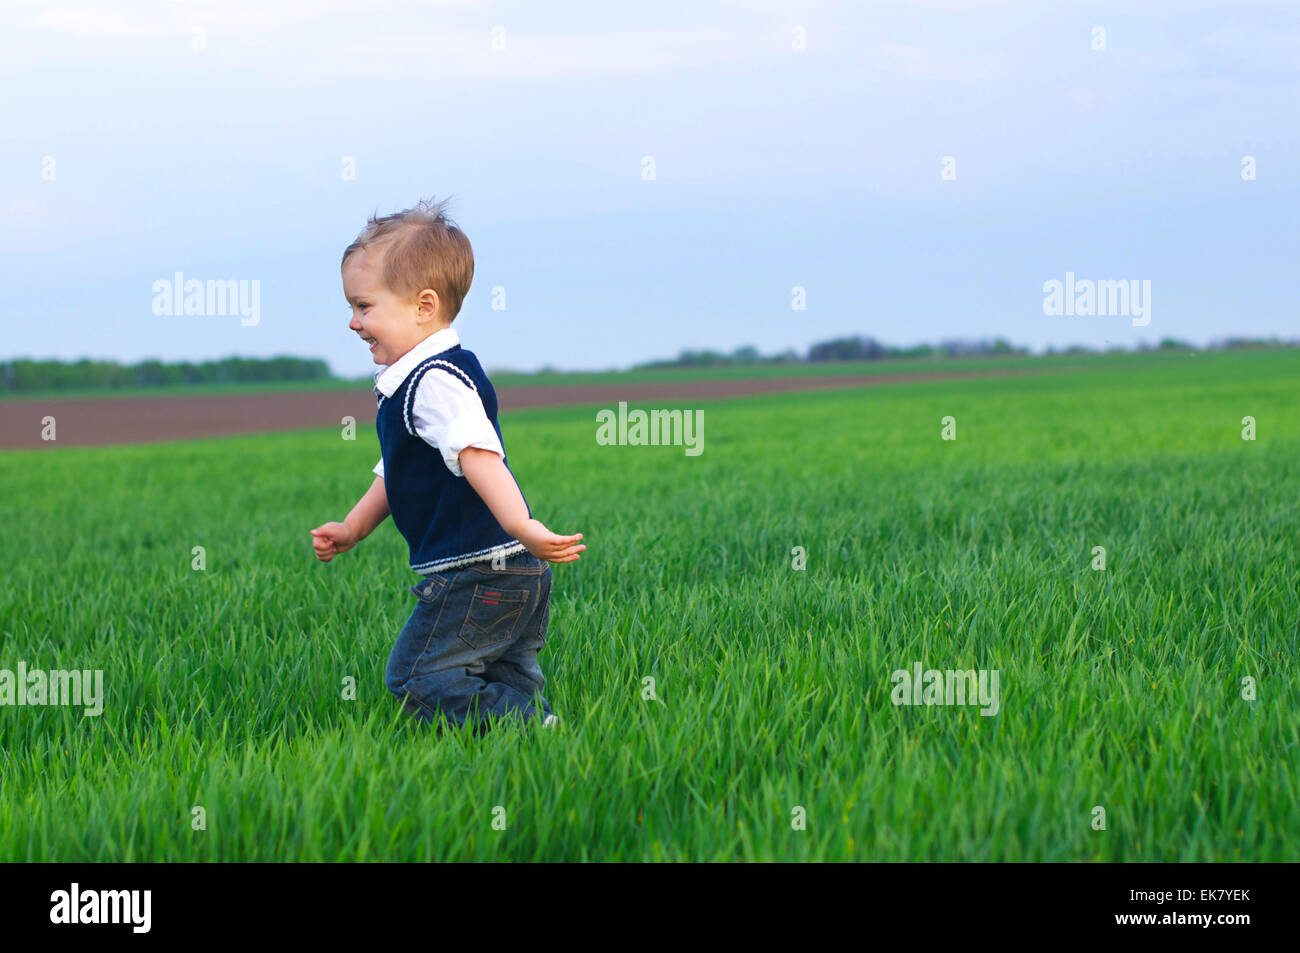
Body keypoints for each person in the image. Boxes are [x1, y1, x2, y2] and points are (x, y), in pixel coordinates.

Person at [310, 197, 584, 734]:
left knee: (416, 678)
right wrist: (353, 527)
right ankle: (531, 741)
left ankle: (530, 730)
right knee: (501, 675)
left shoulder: (431, 382)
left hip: (477, 569)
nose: (352, 322)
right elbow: (398, 470)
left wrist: (520, 524)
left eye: (363, 306)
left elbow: (479, 455)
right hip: (509, 568)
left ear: (423, 305)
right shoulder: (429, 378)